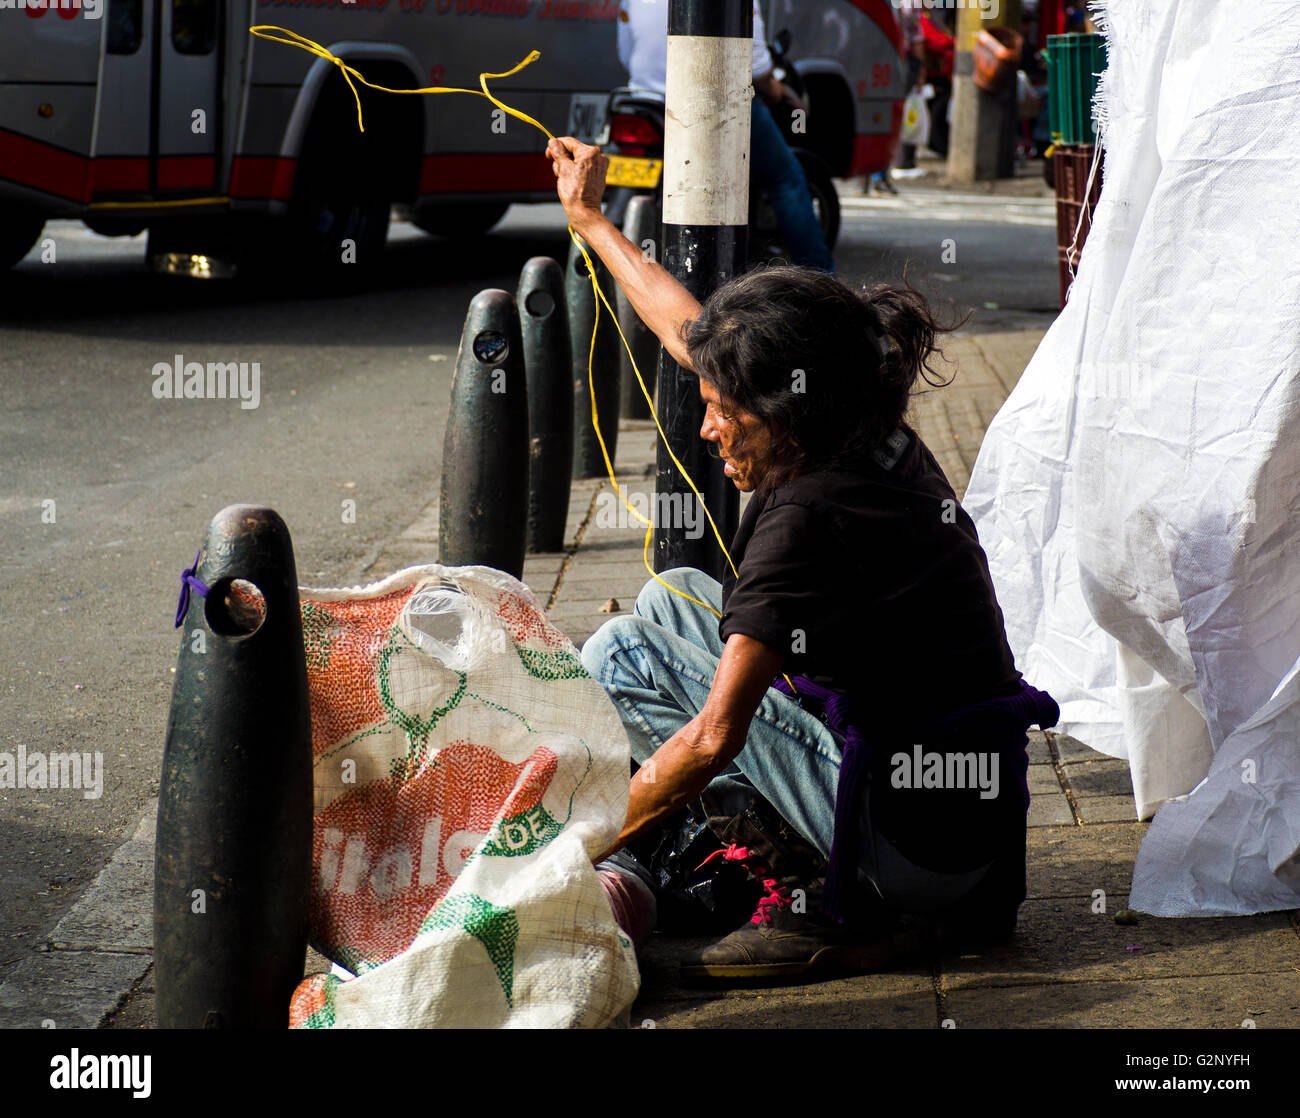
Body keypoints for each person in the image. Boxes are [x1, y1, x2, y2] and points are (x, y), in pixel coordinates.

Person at [548, 135, 1058, 980]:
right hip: (970, 819)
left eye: (720, 411)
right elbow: (689, 331)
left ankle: (842, 897)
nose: (706, 431)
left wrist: (566, 850)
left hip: (912, 843)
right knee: (675, 595)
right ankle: (816, 866)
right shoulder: (865, 426)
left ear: (781, 412)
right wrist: (590, 218)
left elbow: (713, 739)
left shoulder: (806, 515)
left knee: (622, 651)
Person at [617, 0, 834, 272]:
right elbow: (755, 63)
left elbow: (625, 53)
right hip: (715, 99)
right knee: (785, 178)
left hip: (645, 99)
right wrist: (776, 90)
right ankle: (821, 276)